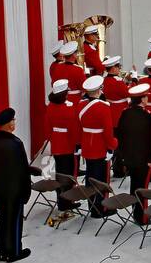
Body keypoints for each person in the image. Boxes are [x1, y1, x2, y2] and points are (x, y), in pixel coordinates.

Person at [0, 108, 34, 262]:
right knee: (15, 221)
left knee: (3, 218)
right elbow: (23, 170)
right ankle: (15, 252)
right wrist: (26, 191)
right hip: (15, 190)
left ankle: (3, 250)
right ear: (9, 124)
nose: (14, 123)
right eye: (13, 120)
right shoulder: (15, 143)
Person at [114, 83, 151, 221]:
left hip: (129, 158)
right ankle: (142, 216)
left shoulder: (125, 113)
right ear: (142, 99)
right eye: (146, 97)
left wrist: (123, 156)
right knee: (142, 187)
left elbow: (120, 135)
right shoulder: (148, 116)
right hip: (143, 159)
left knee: (134, 184)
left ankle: (135, 210)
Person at [78, 76, 117, 215]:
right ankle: (101, 208)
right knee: (101, 179)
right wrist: (112, 145)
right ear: (100, 90)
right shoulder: (104, 107)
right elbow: (108, 131)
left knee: (90, 177)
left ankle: (92, 206)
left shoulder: (81, 105)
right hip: (100, 146)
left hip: (87, 144)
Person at [45, 80, 81, 215]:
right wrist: (77, 143)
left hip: (56, 144)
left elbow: (47, 129)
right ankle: (66, 202)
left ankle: (62, 200)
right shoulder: (69, 109)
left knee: (60, 173)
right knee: (68, 175)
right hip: (67, 144)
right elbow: (74, 129)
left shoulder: (50, 106)